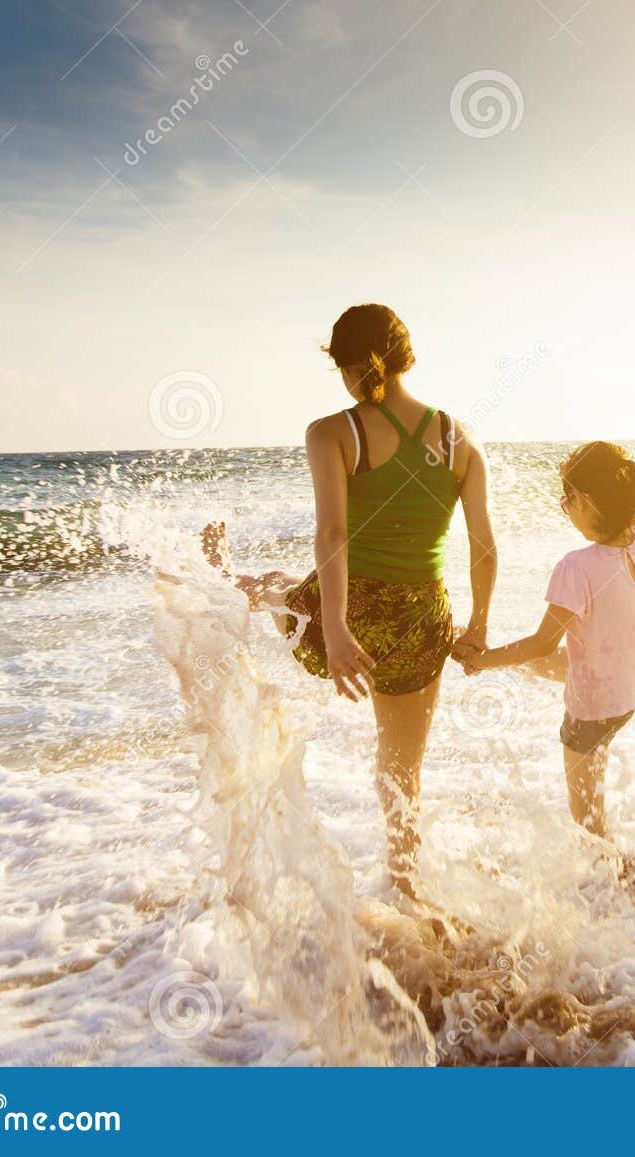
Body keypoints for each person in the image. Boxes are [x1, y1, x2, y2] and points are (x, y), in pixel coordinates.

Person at [202, 303, 497, 901]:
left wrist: (335, 628)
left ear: (349, 365)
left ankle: (226, 576)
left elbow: (333, 535)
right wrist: (479, 624)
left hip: (356, 607)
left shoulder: (333, 432)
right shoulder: (460, 438)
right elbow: (485, 546)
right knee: (401, 769)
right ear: (404, 357)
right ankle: (407, 889)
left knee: (280, 591)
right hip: (424, 618)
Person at [452, 442, 635, 841]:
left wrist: (482, 661)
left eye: (568, 501)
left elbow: (543, 643)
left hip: (592, 707)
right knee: (559, 671)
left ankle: (610, 886)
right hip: (629, 690)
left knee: (587, 822)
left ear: (584, 500)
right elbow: (629, 515)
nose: (567, 510)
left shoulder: (575, 567)